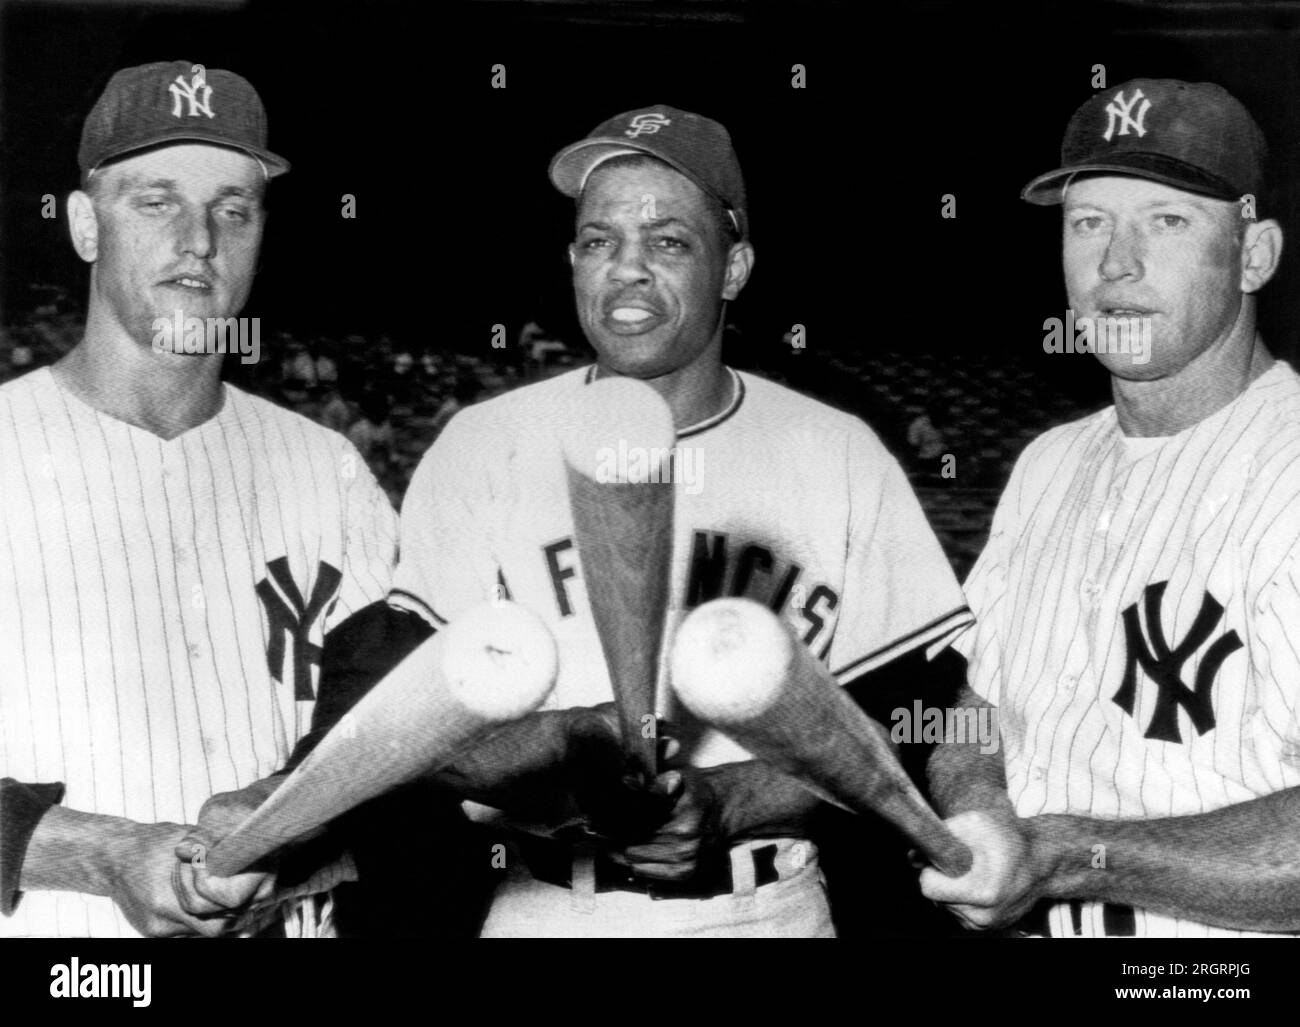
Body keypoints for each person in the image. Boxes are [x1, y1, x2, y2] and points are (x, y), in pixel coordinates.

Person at [375, 105, 973, 937]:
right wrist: (568, 753)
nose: (626, 270)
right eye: (598, 240)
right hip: (546, 903)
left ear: (735, 268)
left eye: (668, 242)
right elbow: (410, 731)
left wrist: (731, 799)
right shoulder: (485, 446)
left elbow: (902, 731)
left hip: (769, 908)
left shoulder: (836, 452)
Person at [0, 60, 398, 937]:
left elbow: (398, 757)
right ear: (83, 225)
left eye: (233, 208)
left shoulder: (328, 469)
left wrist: (291, 842)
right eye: (155, 201)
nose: (200, 240)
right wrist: (102, 853)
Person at [921, 78, 1300, 937]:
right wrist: (977, 805)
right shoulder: (1046, 465)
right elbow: (978, 702)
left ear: (1253, 255)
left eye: (1166, 220)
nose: (1115, 264)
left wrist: (1064, 856)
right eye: (1089, 222)